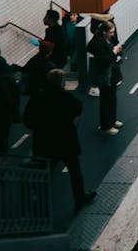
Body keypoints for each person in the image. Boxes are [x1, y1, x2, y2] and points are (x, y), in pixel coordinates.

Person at [23, 69, 96, 210]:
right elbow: (77, 109)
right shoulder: (66, 97)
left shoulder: (38, 97)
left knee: (46, 172)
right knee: (75, 171)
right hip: (66, 140)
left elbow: (27, 119)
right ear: (62, 82)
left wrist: (40, 128)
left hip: (44, 142)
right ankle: (79, 198)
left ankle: (41, 202)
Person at [88, 21, 124, 137]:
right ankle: (105, 126)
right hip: (105, 76)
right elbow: (103, 60)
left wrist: (117, 51)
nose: (112, 34)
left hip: (111, 75)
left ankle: (112, 121)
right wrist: (114, 52)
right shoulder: (99, 43)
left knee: (112, 99)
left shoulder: (109, 40)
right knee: (106, 101)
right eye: (110, 32)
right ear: (104, 32)